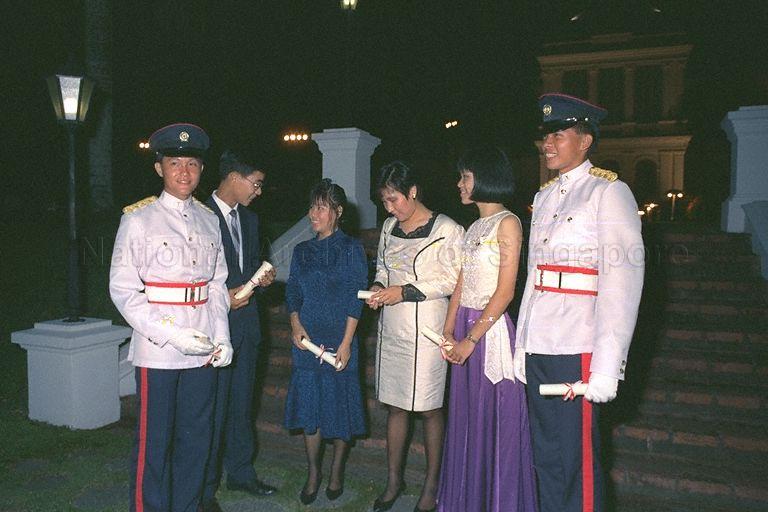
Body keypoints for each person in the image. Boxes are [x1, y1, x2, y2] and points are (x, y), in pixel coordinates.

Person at [515, 93, 645, 512]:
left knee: (578, 462)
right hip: (541, 342)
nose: (548, 144)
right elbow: (534, 275)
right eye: (545, 135)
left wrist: (608, 366)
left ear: (586, 139)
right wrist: (522, 344)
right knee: (546, 457)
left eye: (558, 134)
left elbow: (622, 282)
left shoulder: (609, 193)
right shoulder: (547, 196)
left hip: (580, 345)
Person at [110, 123, 233, 512]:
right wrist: (172, 335)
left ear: (201, 169)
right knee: (155, 440)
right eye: (175, 163)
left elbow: (216, 286)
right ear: (159, 168)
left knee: (197, 437)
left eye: (192, 164)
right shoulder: (138, 220)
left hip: (202, 347)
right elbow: (124, 291)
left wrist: (223, 337)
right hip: (159, 349)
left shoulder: (208, 219)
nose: (184, 172)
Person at [437, 146, 537, 512]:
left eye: (465, 176)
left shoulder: (508, 223)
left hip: (488, 332)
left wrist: (470, 338)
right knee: (465, 422)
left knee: (494, 424)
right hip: (464, 327)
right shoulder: (473, 227)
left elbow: (506, 290)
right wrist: (447, 332)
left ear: (486, 178)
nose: (459, 184)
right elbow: (460, 284)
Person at [366, 162, 464, 512]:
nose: (389, 208)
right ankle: (394, 479)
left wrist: (405, 291)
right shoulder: (390, 226)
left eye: (394, 199)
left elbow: (453, 280)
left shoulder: (448, 229)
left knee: (428, 408)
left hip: (428, 330)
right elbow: (382, 266)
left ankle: (433, 484)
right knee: (395, 405)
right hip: (393, 328)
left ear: (413, 192)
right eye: (384, 202)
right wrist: (379, 285)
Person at [201, 150, 277, 512]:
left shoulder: (250, 220)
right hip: (213, 330)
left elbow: (247, 269)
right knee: (210, 409)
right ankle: (205, 486)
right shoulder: (199, 215)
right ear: (234, 176)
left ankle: (242, 474)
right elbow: (192, 277)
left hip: (246, 330)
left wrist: (263, 279)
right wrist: (221, 298)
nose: (259, 191)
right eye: (256, 183)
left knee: (241, 407)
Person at [284, 179, 368, 505]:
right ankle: (313, 472)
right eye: (312, 206)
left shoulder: (351, 249)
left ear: (338, 211)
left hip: (340, 341)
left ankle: (335, 472)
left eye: (321, 207)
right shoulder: (301, 251)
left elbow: (355, 298)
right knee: (310, 411)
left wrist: (347, 343)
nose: (313, 213)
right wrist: (295, 324)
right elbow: (293, 291)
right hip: (307, 342)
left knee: (340, 411)